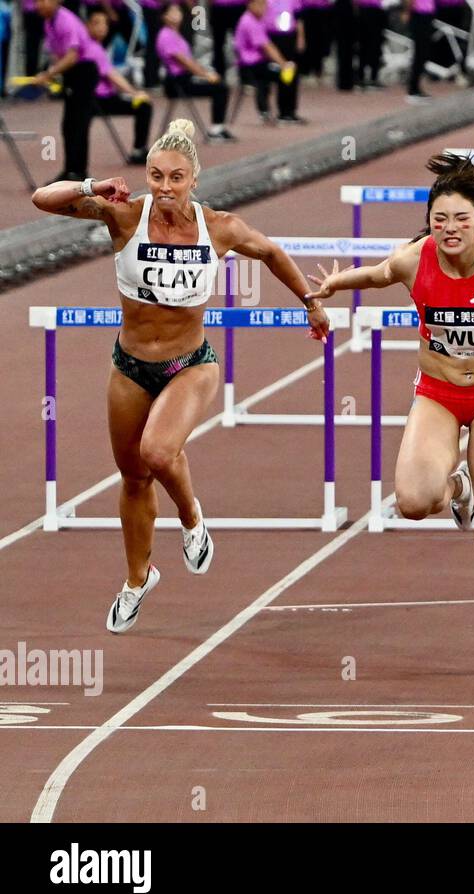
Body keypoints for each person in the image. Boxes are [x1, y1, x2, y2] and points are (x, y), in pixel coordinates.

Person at [30, 119, 331, 633]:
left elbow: (272, 252)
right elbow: (42, 199)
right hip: (129, 367)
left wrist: (309, 303)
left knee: (157, 452)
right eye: (156, 176)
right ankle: (136, 580)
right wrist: (90, 186)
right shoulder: (124, 216)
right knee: (132, 478)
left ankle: (192, 520)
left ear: (195, 180)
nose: (165, 187)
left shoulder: (219, 227)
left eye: (175, 177)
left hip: (189, 365)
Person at [305, 153, 474, 675]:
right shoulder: (415, 258)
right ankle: (458, 488)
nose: (449, 229)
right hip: (438, 395)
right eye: (439, 219)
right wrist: (336, 285)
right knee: (413, 502)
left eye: (460, 219)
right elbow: (379, 273)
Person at [30, 0, 98, 181]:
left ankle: (78, 171)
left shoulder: (65, 20)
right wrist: (52, 72)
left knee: (78, 122)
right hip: (72, 73)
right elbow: (57, 53)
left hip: (84, 70)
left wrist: (49, 73)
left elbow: (72, 56)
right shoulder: (48, 22)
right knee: (69, 124)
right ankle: (71, 170)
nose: (39, 5)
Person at [157, 2, 235, 141]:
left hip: (185, 78)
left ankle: (219, 127)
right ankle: (216, 130)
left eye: (178, 12)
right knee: (220, 88)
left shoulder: (177, 34)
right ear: (164, 16)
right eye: (172, 12)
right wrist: (206, 75)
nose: (177, 15)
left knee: (220, 85)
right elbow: (185, 62)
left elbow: (190, 60)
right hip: (177, 82)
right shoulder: (166, 35)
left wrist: (205, 72)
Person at [84, 7, 152, 164]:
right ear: (87, 26)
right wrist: (135, 93)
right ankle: (138, 151)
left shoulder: (97, 47)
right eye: (97, 23)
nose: (102, 27)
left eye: (105, 24)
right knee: (144, 106)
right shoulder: (93, 49)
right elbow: (113, 76)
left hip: (102, 98)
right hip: (100, 101)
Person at [235, 0, 293, 123]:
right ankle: (285, 113)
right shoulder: (249, 21)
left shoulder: (258, 20)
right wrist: (283, 64)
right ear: (250, 5)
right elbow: (267, 47)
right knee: (286, 75)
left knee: (277, 73)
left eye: (265, 5)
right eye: (260, 5)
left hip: (258, 63)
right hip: (250, 66)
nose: (264, 8)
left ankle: (268, 110)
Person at [262, 0, 304, 122]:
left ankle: (289, 110)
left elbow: (299, 17)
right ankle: (269, 109)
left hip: (288, 37)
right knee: (277, 72)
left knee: (290, 73)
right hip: (271, 37)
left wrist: (300, 37)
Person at [404, 0, 434, 100]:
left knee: (423, 53)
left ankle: (416, 87)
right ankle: (413, 89)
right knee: (419, 53)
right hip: (418, 14)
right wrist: (407, 12)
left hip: (427, 15)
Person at [209, 0, 246, 80]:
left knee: (242, 44)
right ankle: (219, 77)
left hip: (238, 8)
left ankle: (245, 76)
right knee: (218, 44)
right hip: (219, 8)